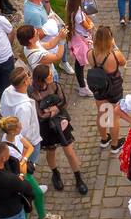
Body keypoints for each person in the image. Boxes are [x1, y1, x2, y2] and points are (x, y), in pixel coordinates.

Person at [29, 63, 88, 195]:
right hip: (46, 127)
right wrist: (55, 109)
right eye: (49, 74)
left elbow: (63, 102)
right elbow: (40, 115)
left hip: (60, 122)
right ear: (42, 78)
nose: (52, 75)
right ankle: (55, 173)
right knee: (51, 152)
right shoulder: (33, 93)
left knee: (69, 151)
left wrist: (52, 109)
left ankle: (78, 178)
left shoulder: (55, 85)